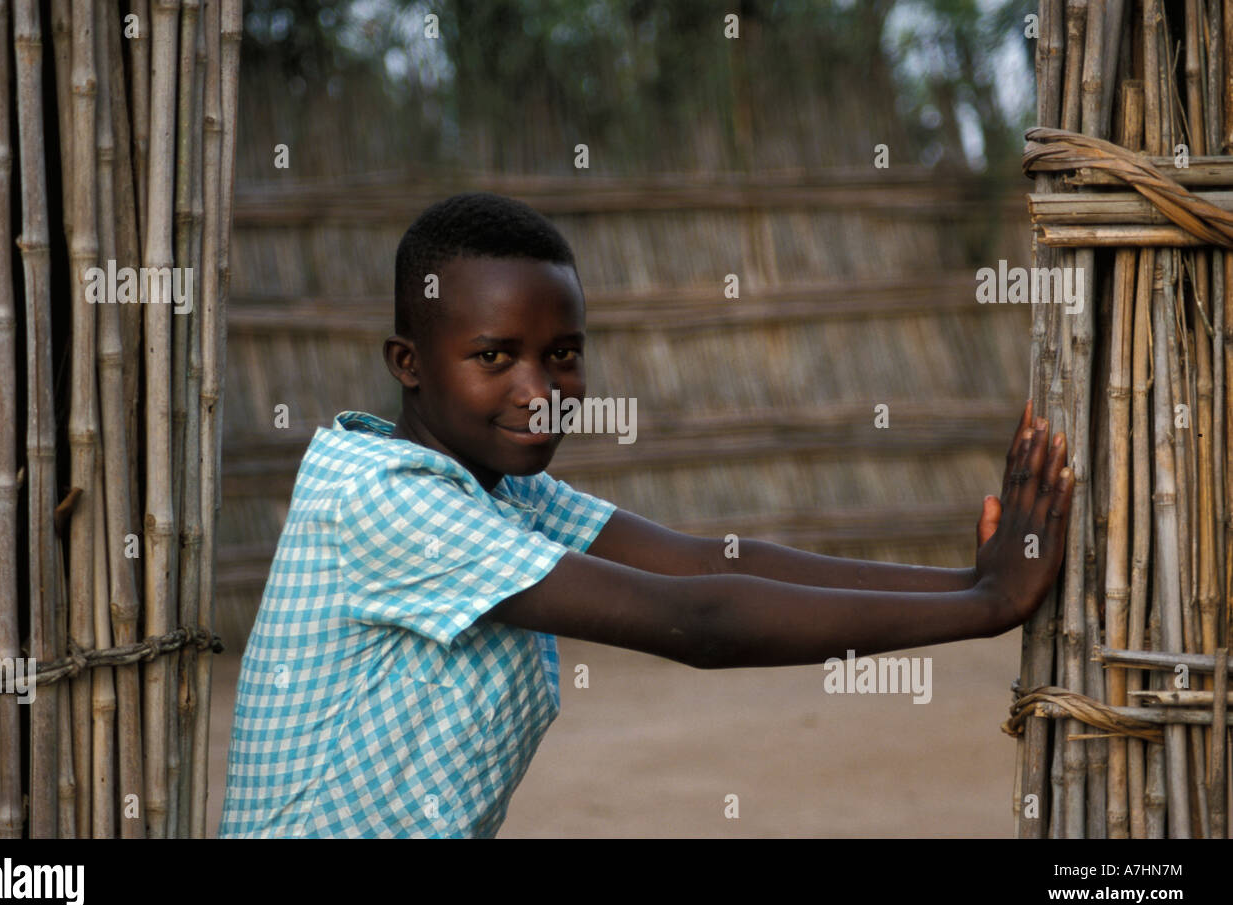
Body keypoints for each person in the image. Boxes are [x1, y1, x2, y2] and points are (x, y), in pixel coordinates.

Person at [217, 192, 1074, 838]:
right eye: (494, 357)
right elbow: (696, 620)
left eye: (563, 357)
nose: (540, 393)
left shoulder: (494, 489)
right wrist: (986, 608)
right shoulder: (385, 496)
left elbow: (713, 563)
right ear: (408, 363)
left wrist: (969, 578)